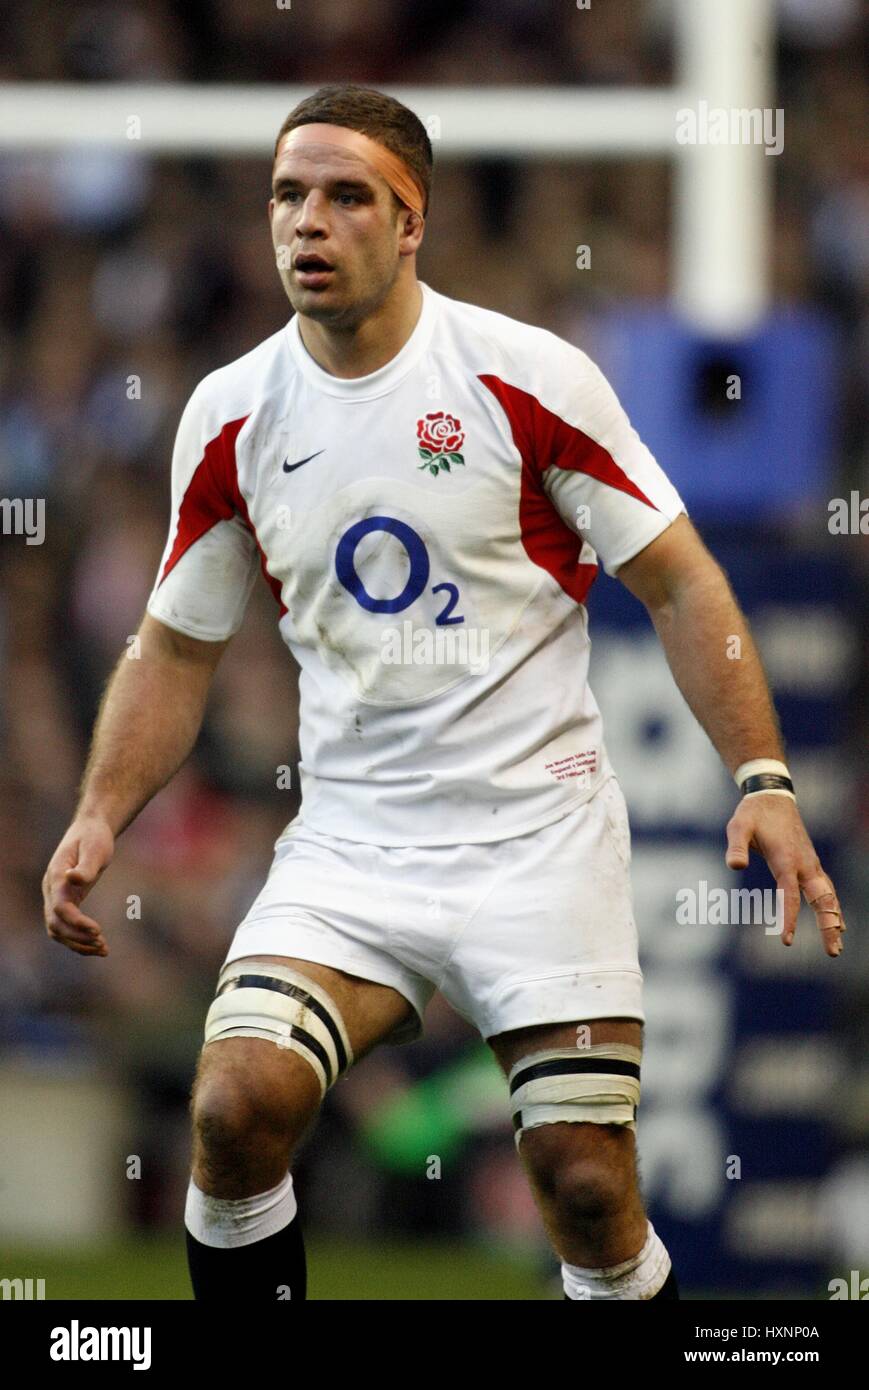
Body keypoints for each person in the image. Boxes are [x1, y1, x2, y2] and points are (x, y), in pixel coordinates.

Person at [42, 83, 846, 1302]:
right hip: (355, 847)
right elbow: (174, 646)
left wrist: (762, 777)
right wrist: (102, 809)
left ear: (411, 222)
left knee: (582, 1185)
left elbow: (682, 586)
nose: (307, 222)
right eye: (287, 195)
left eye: (346, 197)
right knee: (234, 1105)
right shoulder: (228, 414)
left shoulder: (527, 380)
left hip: (538, 842)